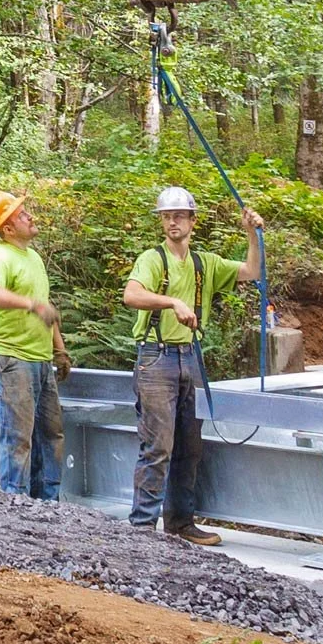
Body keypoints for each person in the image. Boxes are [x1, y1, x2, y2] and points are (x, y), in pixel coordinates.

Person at [120, 186, 264, 545]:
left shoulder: (205, 264)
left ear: (192, 221)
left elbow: (252, 271)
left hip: (190, 357)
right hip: (156, 359)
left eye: (179, 216)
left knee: (189, 446)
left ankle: (180, 524)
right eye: (167, 217)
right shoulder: (152, 259)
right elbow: (131, 295)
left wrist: (252, 233)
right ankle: (142, 529)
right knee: (157, 446)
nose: (173, 222)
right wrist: (172, 302)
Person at [0, 190, 71, 499]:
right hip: (11, 359)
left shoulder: (34, 258)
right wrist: (30, 304)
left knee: (51, 434)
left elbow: (46, 308)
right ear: (7, 228)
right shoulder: (0, 257)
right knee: (18, 437)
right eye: (21, 214)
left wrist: (59, 349)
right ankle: (14, 503)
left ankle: (47, 503)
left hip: (40, 360)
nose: (30, 216)